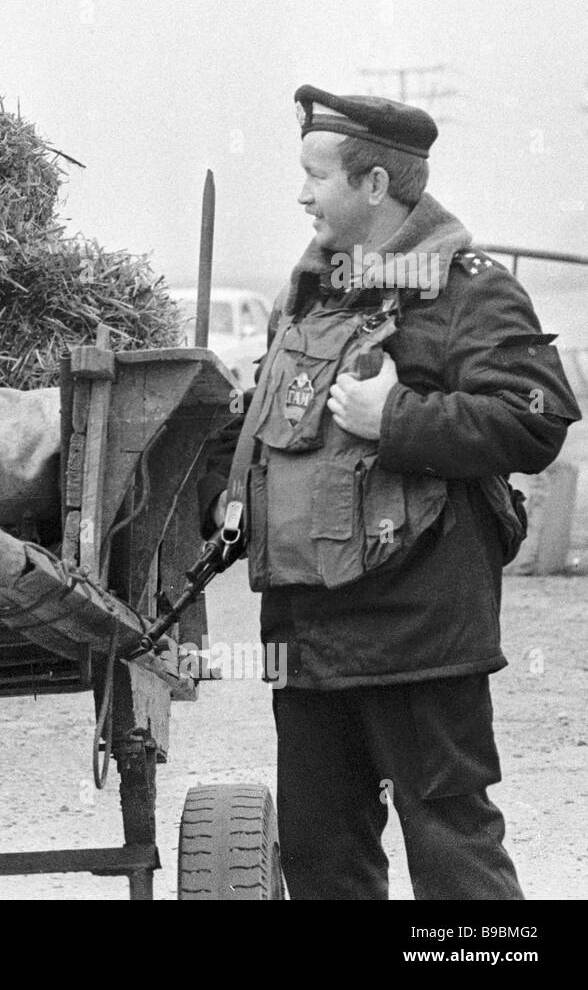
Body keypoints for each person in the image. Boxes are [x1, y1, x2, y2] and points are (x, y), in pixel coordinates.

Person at [199, 85, 581, 899]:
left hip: (420, 641)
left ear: (375, 185)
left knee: (453, 861)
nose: (302, 195)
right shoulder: (310, 290)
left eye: (317, 176)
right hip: (305, 641)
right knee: (323, 865)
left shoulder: (467, 288)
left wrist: (396, 416)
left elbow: (537, 413)